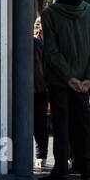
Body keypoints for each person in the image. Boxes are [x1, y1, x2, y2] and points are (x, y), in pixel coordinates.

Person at [39, 0, 90, 180]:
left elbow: (51, 51)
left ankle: (61, 168)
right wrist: (89, 76)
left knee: (61, 123)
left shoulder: (50, 14)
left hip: (60, 79)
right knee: (84, 120)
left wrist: (69, 77)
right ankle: (86, 167)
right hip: (84, 81)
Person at [32, 18, 49, 170]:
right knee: (40, 125)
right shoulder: (40, 44)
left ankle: (40, 156)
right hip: (41, 88)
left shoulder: (34, 42)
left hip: (33, 88)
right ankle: (41, 156)